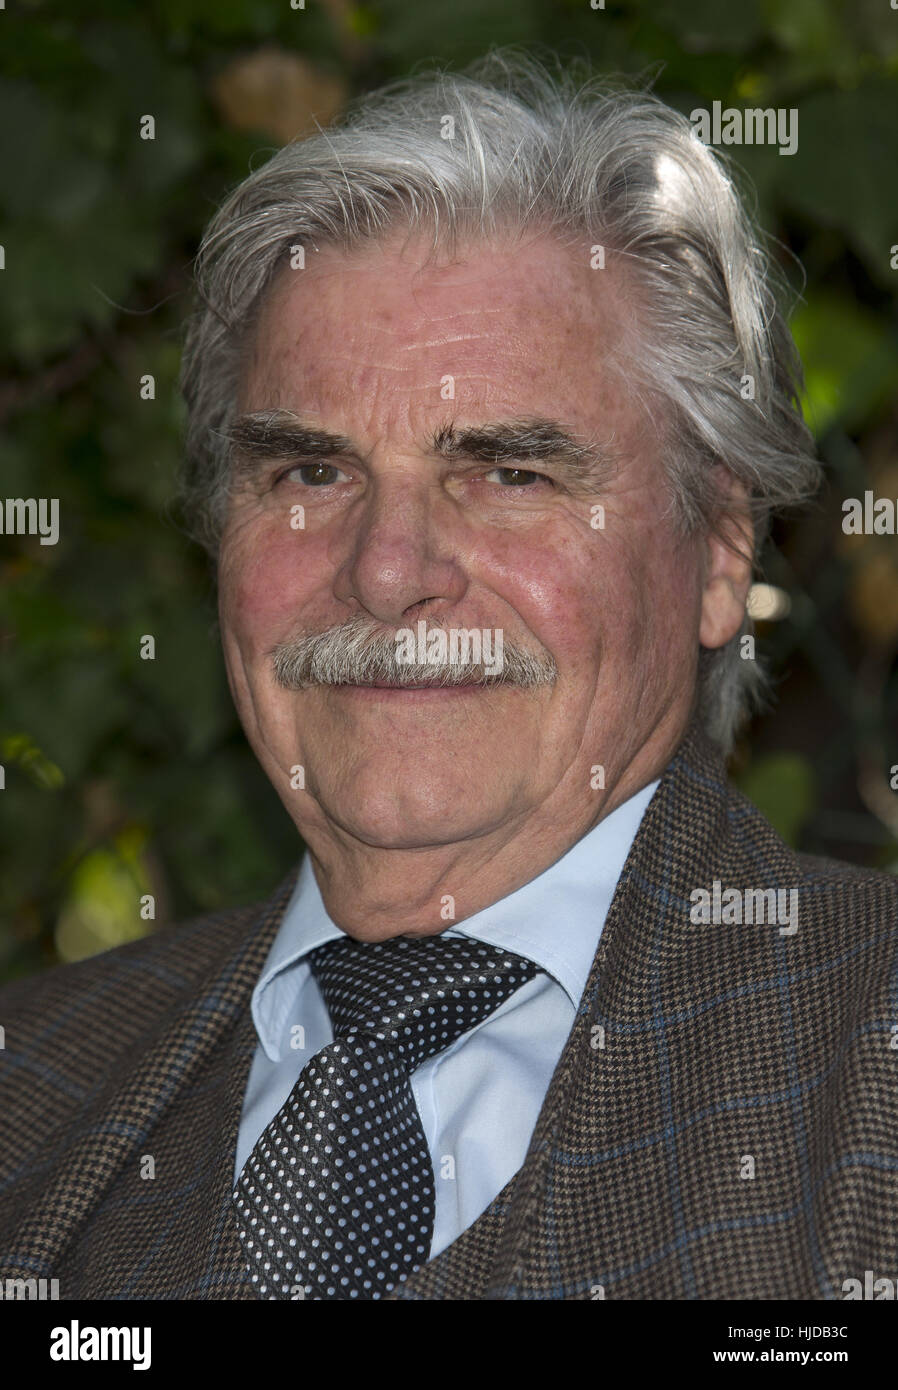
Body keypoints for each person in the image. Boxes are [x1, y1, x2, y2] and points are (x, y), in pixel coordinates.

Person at [1, 50, 896, 1302]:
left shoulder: (868, 1067)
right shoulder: (34, 1083)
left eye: (510, 474)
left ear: (715, 551)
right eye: (310, 473)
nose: (386, 571)